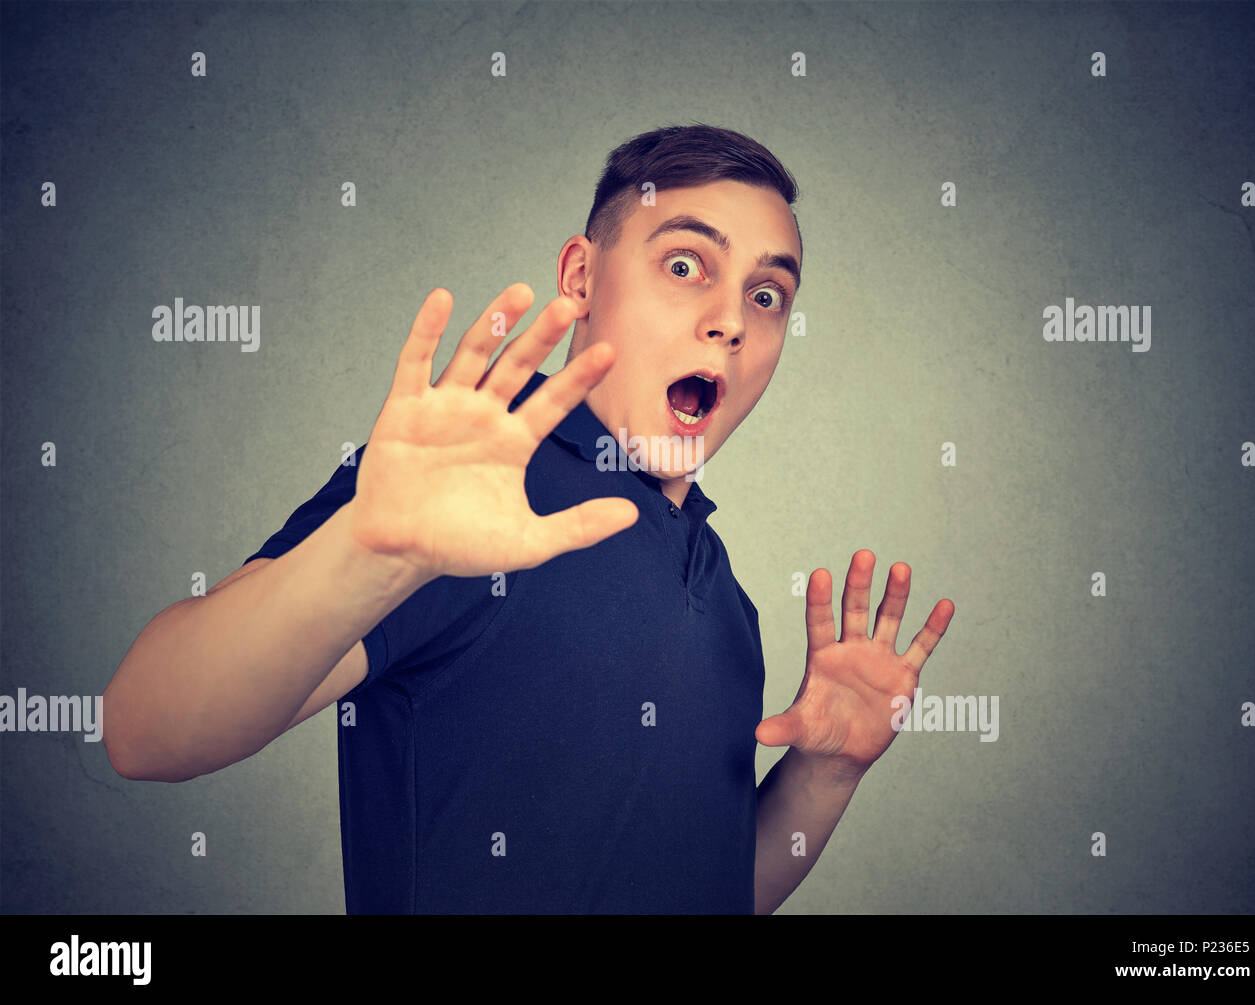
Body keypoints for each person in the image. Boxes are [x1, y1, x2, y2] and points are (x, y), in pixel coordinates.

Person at [104, 123, 955, 914]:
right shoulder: (462, 494)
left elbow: (713, 891)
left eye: (766, 295)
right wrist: (370, 550)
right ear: (582, 278)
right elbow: (146, 730)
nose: (731, 320)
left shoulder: (728, 602)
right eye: (687, 265)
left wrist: (827, 771)